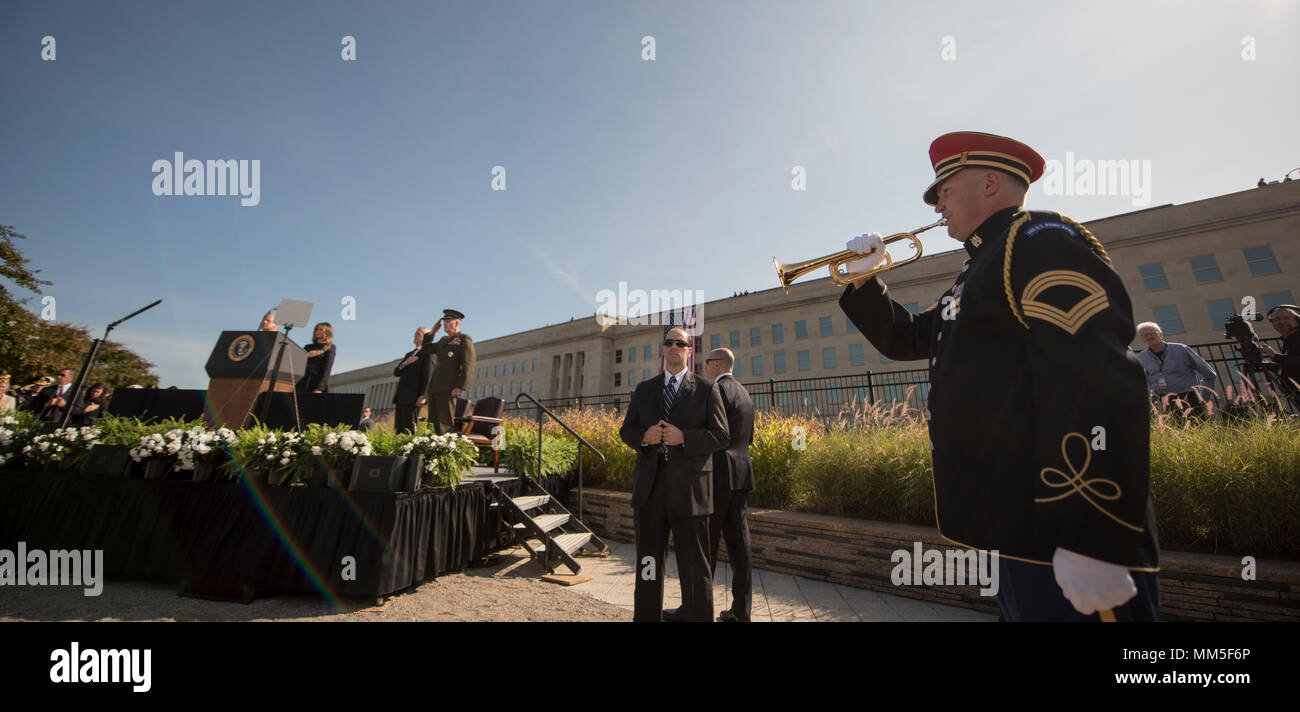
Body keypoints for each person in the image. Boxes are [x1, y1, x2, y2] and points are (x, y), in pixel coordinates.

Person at [839, 131, 1159, 621]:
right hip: (1019, 530)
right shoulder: (982, 267)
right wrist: (865, 279)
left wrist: (1092, 535)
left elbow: (1096, 382)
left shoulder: (1041, 240)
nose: (937, 204)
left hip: (1065, 535)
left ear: (990, 183)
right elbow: (906, 339)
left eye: (945, 190)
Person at [618, 326, 729, 622]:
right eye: (668, 342)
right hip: (650, 493)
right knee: (648, 564)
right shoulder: (644, 389)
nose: (673, 347)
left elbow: (721, 436)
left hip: (690, 494)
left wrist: (686, 438)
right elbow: (625, 431)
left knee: (695, 569)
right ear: (663, 349)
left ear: (689, 351)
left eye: (680, 343)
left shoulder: (707, 389)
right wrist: (645, 436)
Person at [703, 347, 755, 623]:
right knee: (740, 546)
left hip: (718, 473)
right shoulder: (745, 394)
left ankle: (699, 609)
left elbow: (712, 433)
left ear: (719, 364)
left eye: (707, 362)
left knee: (705, 542)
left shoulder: (717, 391)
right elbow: (749, 437)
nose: (705, 367)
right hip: (742, 473)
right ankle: (740, 612)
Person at [1135, 322, 1218, 419]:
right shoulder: (1142, 357)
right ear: (1142, 339)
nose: (1149, 337)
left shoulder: (1181, 349)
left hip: (1189, 399)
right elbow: (1141, 383)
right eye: (1145, 335)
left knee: (1198, 429)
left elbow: (1209, 374)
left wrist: (1203, 398)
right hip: (1164, 403)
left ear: (1161, 334)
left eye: (1152, 333)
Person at [420, 309, 475, 435]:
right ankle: (433, 448)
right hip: (435, 386)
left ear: (457, 323)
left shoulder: (463, 339)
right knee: (433, 422)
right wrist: (432, 332)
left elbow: (468, 365)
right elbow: (426, 349)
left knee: (444, 423)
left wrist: (460, 386)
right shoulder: (443, 341)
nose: (445, 324)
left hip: (449, 387)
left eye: (448, 321)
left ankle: (445, 450)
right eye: (444, 321)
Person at [393, 327, 434, 433]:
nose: (414, 336)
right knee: (399, 428)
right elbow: (396, 372)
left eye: (418, 334)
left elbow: (429, 376)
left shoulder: (428, 354)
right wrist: (404, 364)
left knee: (409, 428)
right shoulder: (409, 354)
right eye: (415, 334)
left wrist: (423, 395)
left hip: (414, 398)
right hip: (401, 396)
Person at [1260, 304, 1300, 407]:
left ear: (1297, 320)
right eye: (1276, 319)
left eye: (1286, 318)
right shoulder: (1289, 340)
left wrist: (1274, 355)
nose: (1281, 322)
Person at [297, 322, 336, 393]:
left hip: (316, 383)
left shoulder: (330, 348)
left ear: (327, 332)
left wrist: (320, 388)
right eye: (316, 329)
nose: (317, 331)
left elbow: (327, 369)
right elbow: (298, 363)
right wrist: (306, 356)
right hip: (301, 381)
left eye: (321, 330)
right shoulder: (307, 347)